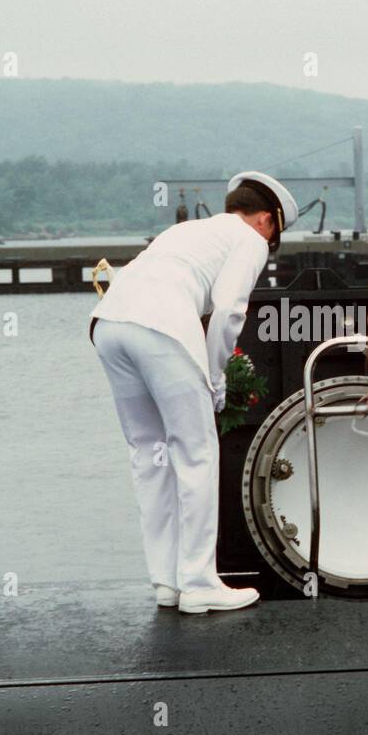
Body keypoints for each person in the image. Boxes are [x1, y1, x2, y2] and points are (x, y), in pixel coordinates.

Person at [89, 171, 296, 614]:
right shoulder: (250, 239)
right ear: (265, 220)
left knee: (150, 455)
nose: (270, 241)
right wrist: (215, 377)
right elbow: (228, 310)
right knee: (197, 453)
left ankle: (166, 580)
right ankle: (199, 582)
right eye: (274, 232)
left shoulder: (188, 229)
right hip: (162, 330)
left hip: (109, 324)